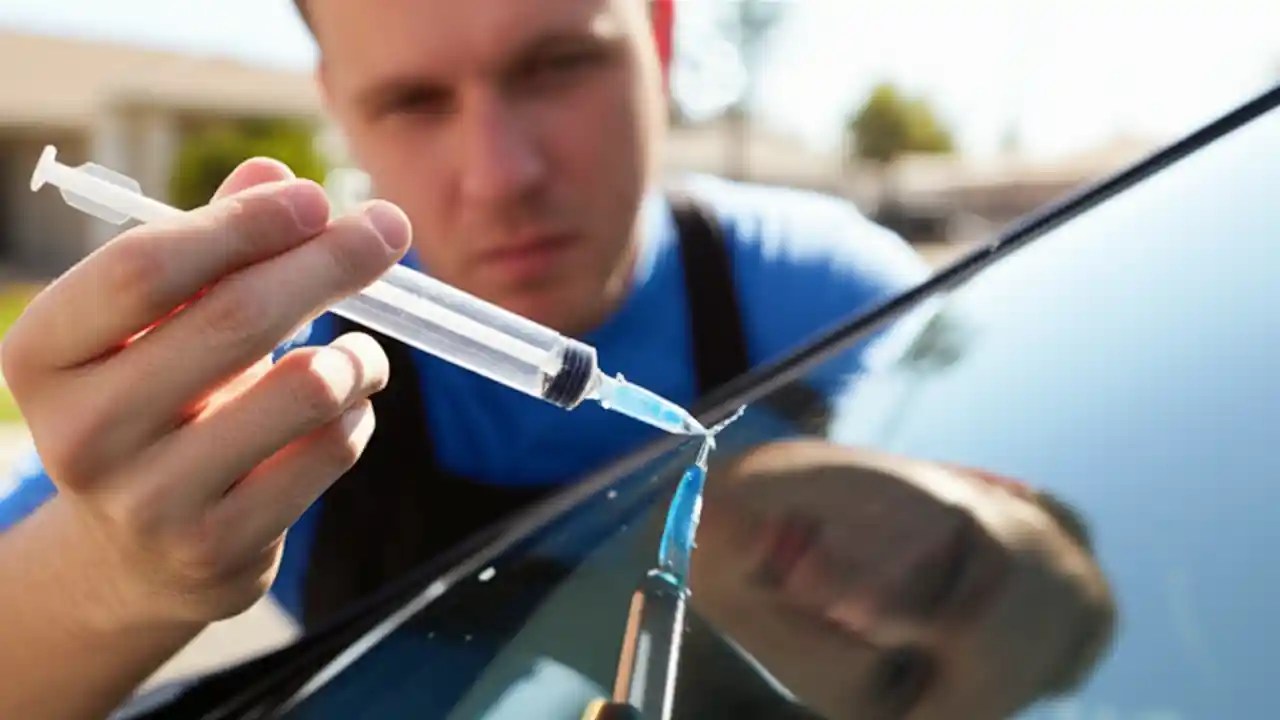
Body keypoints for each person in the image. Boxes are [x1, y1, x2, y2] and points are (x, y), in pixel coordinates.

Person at [0, 1, 929, 717]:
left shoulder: (856, 308)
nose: (500, 175)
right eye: (414, 100)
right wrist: (122, 570)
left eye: (557, 65)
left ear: (659, 31)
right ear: (336, 105)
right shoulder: (261, 382)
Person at [430, 440, 1115, 720]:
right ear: (985, 479)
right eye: (947, 573)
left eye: (898, 681)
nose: (866, 609)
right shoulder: (788, 292)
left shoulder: (476, 688)